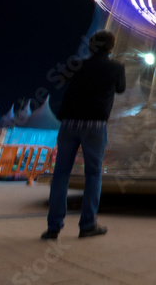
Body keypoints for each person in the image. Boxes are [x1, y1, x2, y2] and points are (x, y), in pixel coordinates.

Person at [42, 30, 126, 239]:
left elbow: (61, 78)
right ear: (110, 48)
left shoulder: (77, 64)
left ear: (90, 46)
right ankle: (87, 224)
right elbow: (121, 89)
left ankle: (54, 226)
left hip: (70, 122)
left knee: (61, 174)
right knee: (93, 174)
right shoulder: (116, 67)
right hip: (95, 125)